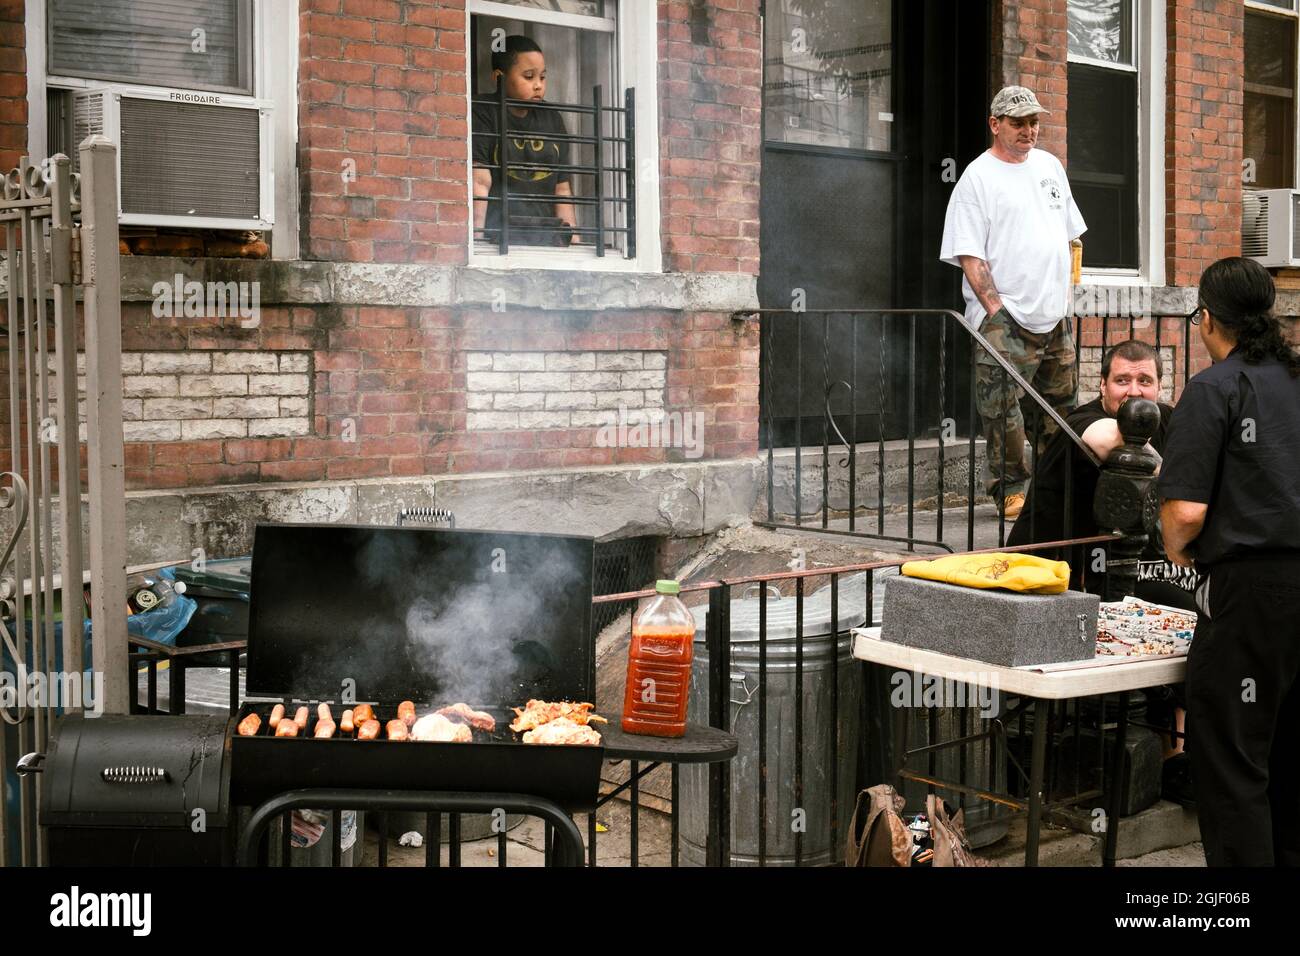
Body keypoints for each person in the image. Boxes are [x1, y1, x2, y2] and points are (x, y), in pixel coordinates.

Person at [1007, 340, 1195, 799]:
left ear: (1160, 386)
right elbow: (1111, 442)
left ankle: (1181, 754)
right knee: (1189, 618)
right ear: (1103, 385)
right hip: (1048, 578)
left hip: (1115, 573)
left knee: (1198, 617)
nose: (1134, 392)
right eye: (1122, 380)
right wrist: (1179, 488)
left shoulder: (1165, 419)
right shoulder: (1083, 421)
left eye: (1145, 381)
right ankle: (1176, 758)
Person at [1159, 256, 1300, 867]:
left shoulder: (1213, 387)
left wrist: (1178, 552)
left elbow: (1185, 513)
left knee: (1234, 762)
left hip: (1251, 594)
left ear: (1208, 318)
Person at [940, 85, 1087, 519]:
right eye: (1019, 122)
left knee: (1061, 408)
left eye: (1034, 122)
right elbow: (970, 254)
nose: (1029, 130)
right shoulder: (977, 178)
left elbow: (1070, 234)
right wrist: (995, 312)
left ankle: (1056, 486)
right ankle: (1012, 489)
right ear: (995, 124)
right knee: (1002, 410)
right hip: (1004, 318)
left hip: (1054, 314)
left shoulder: (1049, 167)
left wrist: (1067, 289)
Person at [472, 35, 579, 246]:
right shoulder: (482, 112)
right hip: (499, 241)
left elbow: (562, 189)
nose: (538, 85)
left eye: (543, 77)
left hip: (547, 240)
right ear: (499, 77)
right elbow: (479, 182)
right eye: (529, 77)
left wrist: (574, 245)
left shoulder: (552, 118)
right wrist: (476, 242)